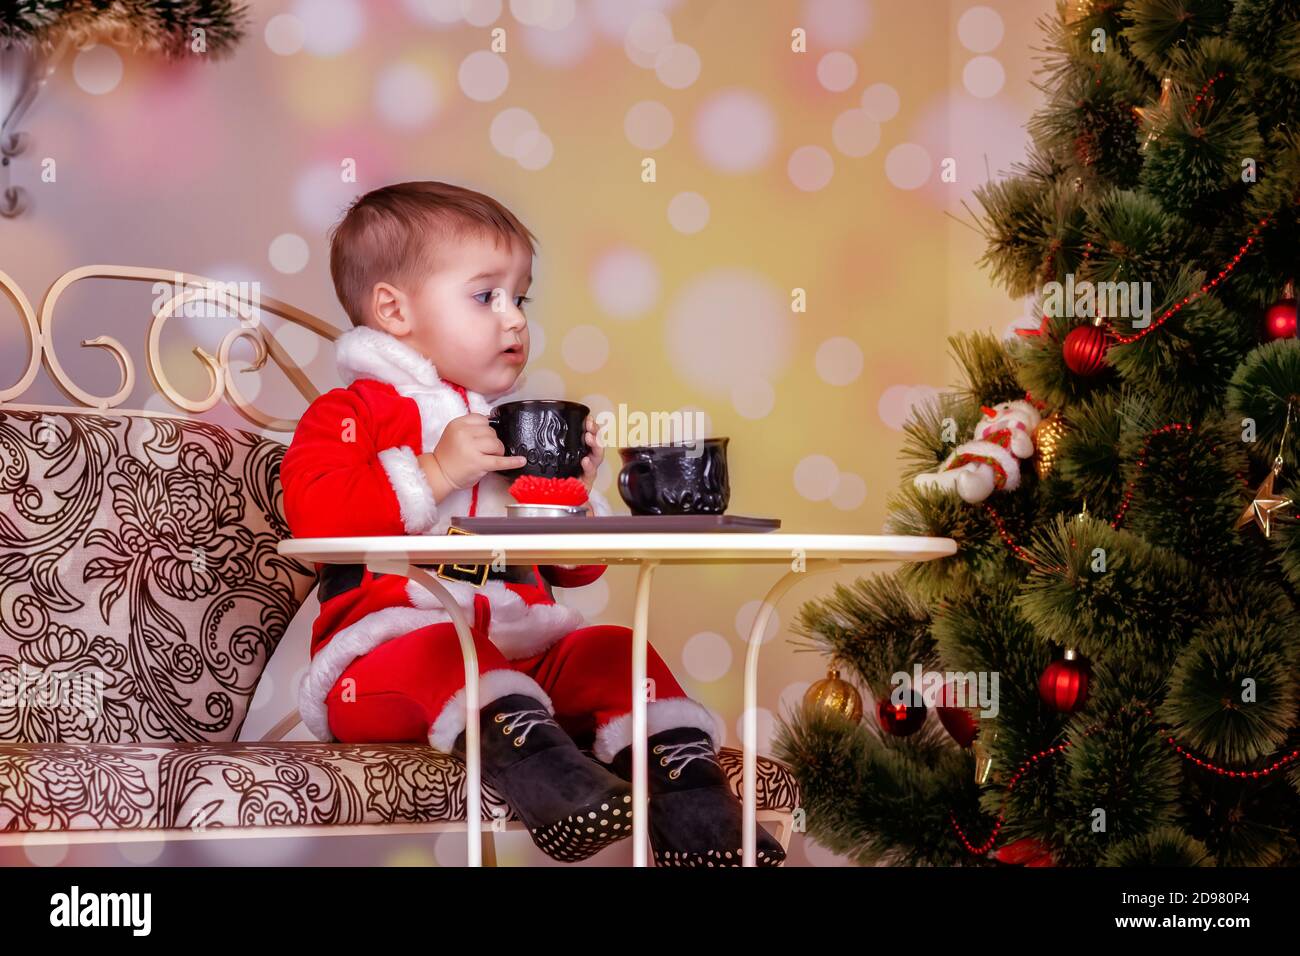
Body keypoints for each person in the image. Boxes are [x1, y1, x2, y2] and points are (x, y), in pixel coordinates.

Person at [281, 181, 785, 866]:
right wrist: (433, 473)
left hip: (523, 655)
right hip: (384, 664)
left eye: (521, 298)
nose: (515, 319)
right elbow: (316, 520)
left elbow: (575, 570)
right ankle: (557, 791)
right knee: (442, 654)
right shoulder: (353, 413)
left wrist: (567, 494)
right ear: (394, 310)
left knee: (616, 651)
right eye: (485, 296)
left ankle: (695, 810)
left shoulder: (510, 428)